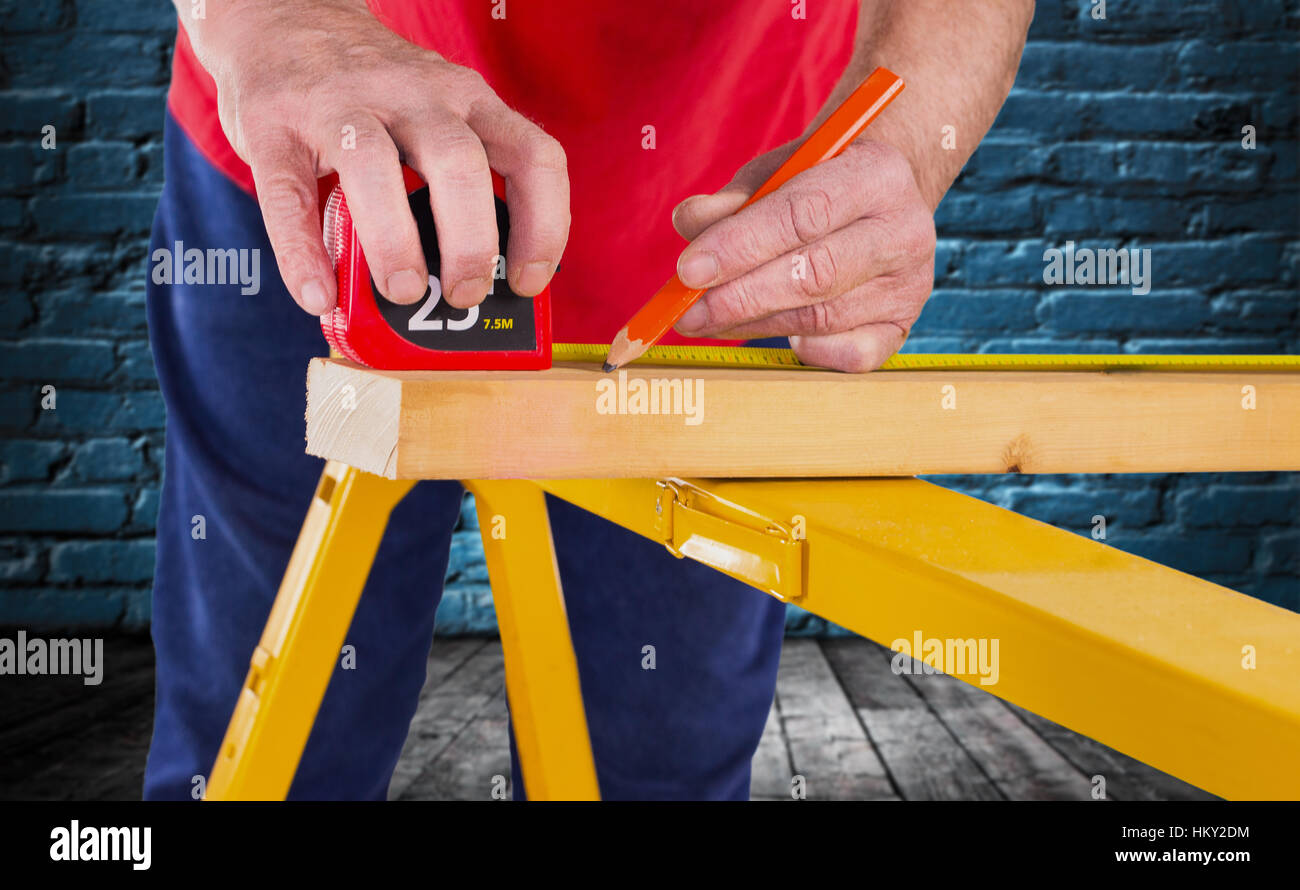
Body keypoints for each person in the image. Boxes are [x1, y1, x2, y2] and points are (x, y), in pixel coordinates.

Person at [146, 0, 1033, 800]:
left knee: (659, 762)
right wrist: (269, 21)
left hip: (727, 224)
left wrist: (908, 140)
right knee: (264, 739)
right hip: (322, 158)